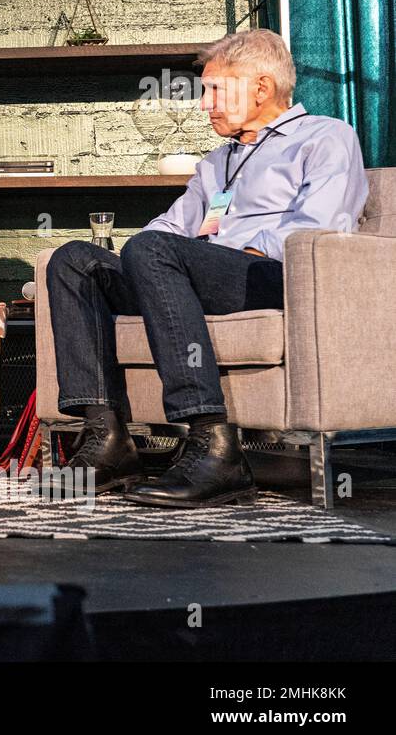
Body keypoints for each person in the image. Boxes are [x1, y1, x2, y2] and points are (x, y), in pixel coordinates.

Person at [46, 29, 367, 507]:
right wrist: (149, 258)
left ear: (261, 88)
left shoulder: (325, 137)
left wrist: (210, 254)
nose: (204, 105)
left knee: (153, 251)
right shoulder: (217, 162)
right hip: (192, 276)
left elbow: (319, 227)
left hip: (273, 277)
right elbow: (168, 228)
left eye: (216, 90)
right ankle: (108, 442)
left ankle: (215, 447)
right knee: (74, 260)